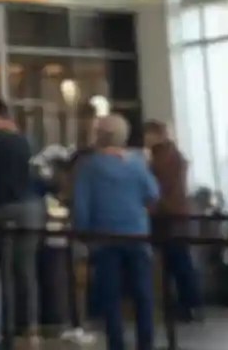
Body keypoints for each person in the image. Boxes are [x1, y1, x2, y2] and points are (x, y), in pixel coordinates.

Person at [72, 114, 158, 350]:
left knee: (111, 296)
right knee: (143, 293)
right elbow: (152, 193)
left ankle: (116, 343)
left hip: (104, 238)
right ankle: (145, 342)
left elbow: (81, 205)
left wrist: (82, 233)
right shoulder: (136, 163)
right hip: (136, 233)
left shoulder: (89, 167)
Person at [0, 99, 43, 338]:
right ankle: (31, 326)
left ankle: (6, 327)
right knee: (27, 271)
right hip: (31, 208)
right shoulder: (27, 140)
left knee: (4, 270)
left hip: (4, 208)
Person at [143, 120, 204, 323]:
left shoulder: (164, 158)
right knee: (177, 261)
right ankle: (186, 304)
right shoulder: (171, 155)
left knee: (178, 261)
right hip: (173, 215)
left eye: (148, 134)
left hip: (169, 216)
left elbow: (160, 187)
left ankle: (189, 304)